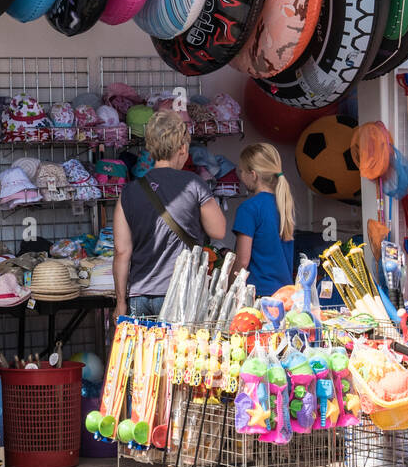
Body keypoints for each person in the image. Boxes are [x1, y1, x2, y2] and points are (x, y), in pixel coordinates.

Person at [114, 110, 227, 318]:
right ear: (183, 148)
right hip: (181, 292)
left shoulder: (129, 192)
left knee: (145, 352)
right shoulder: (194, 184)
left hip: (139, 294)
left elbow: (122, 253)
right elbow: (219, 231)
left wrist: (120, 302)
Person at [231, 142, 295, 297]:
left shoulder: (249, 208)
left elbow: (243, 262)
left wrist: (227, 289)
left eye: (242, 171)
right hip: (286, 294)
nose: (240, 176)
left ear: (253, 174)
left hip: (258, 294)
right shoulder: (284, 204)